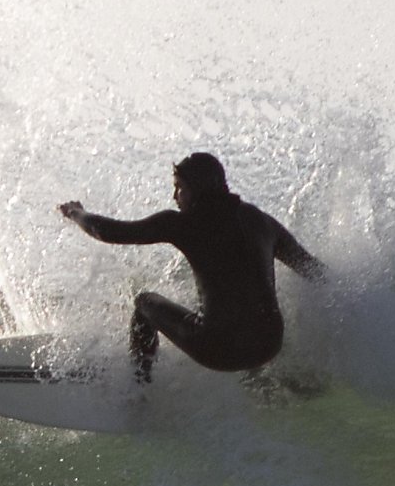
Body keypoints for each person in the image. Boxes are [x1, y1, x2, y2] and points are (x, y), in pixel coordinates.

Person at [58, 152, 324, 382]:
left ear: (198, 189)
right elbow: (311, 269)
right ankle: (269, 382)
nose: (175, 196)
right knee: (245, 314)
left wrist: (76, 213)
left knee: (144, 303)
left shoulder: (184, 224)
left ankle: (138, 388)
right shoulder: (260, 221)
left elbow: (109, 232)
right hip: (269, 345)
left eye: (180, 188)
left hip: (217, 350)